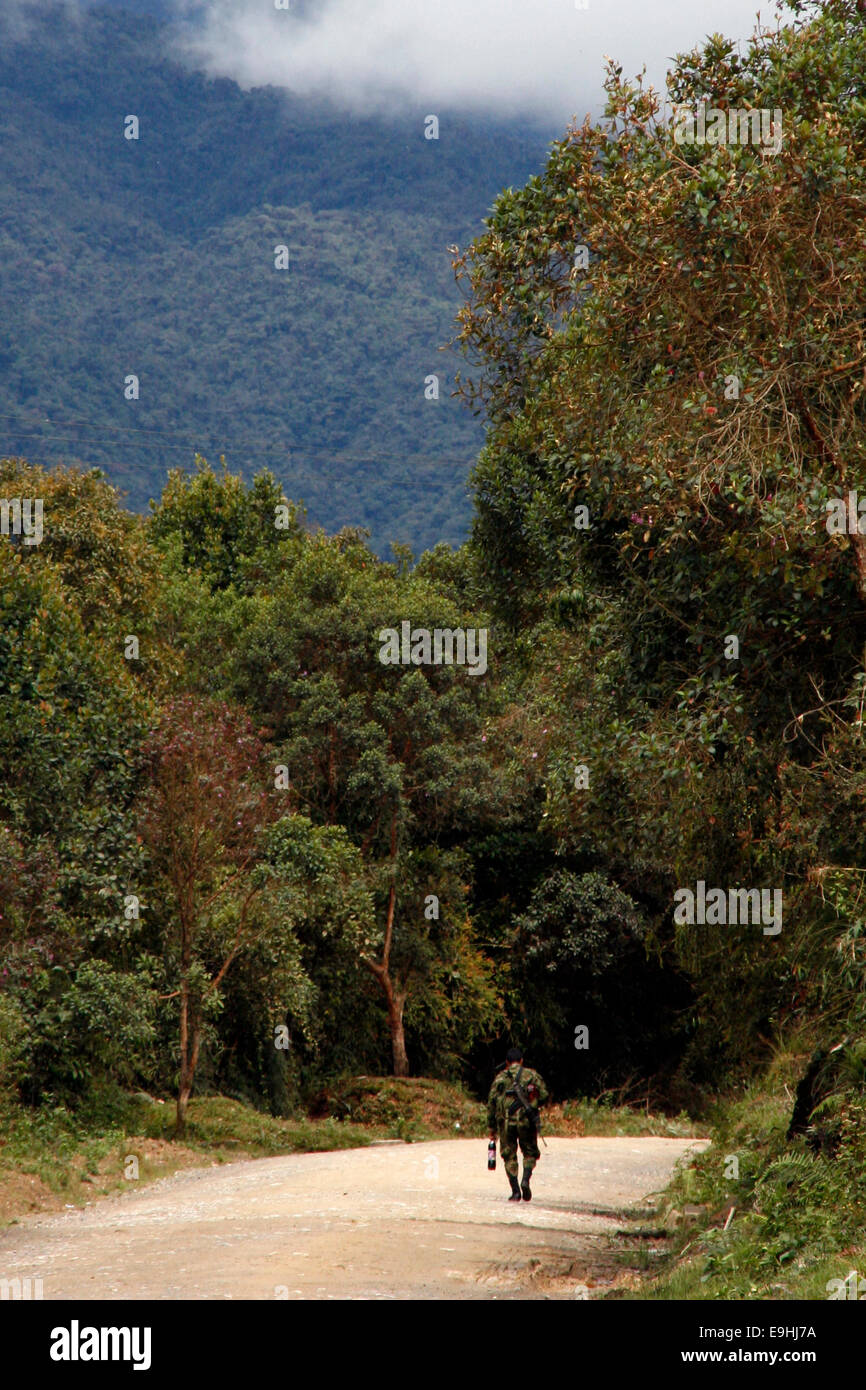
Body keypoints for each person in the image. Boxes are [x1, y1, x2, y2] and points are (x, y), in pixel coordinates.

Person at [486, 1046, 549, 1201]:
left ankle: (515, 1191)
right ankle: (526, 1179)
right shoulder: (532, 1075)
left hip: (506, 1122)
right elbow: (545, 1095)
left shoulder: (500, 1078)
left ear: (507, 1062)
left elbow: (491, 1103)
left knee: (509, 1155)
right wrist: (533, 1105)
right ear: (521, 1061)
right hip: (526, 1121)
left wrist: (492, 1128)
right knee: (529, 1153)